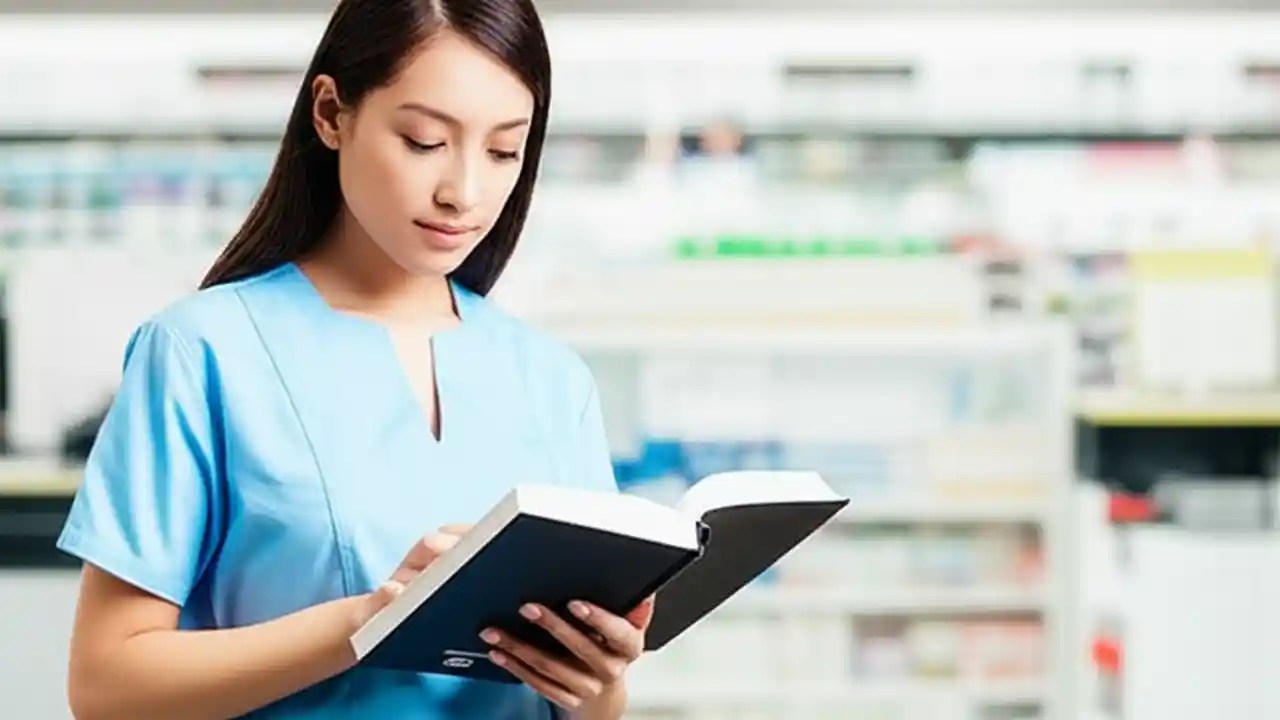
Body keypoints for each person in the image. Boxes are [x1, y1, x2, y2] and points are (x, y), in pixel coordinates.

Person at [55, 1, 652, 718]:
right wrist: (366, 621)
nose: (463, 192)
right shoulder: (201, 351)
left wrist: (599, 684)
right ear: (331, 114)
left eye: (503, 152)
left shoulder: (553, 380)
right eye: (425, 141)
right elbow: (107, 686)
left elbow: (585, 707)